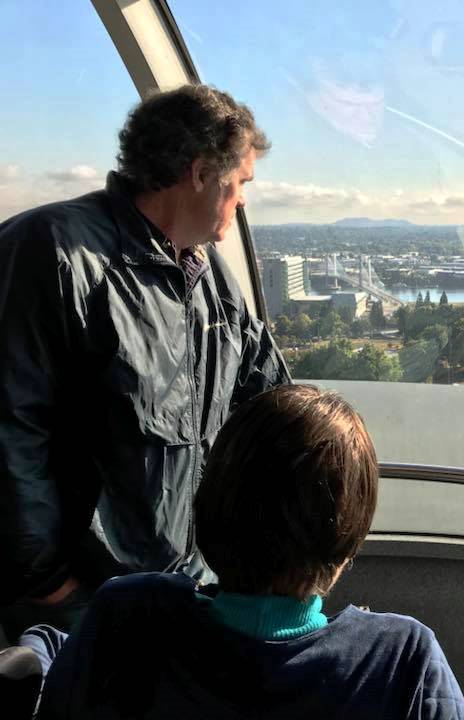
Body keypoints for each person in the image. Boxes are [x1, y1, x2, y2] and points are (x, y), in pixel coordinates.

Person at [0, 84, 290, 641]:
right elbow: (10, 429)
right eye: (242, 183)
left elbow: (269, 394)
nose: (244, 200)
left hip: (181, 597)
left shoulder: (209, 281)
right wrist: (51, 588)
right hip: (81, 607)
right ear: (202, 173)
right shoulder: (54, 253)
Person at [30, 385, 464, 719]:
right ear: (344, 545)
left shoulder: (127, 615)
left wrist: (40, 645)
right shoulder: (401, 660)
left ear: (212, 503)